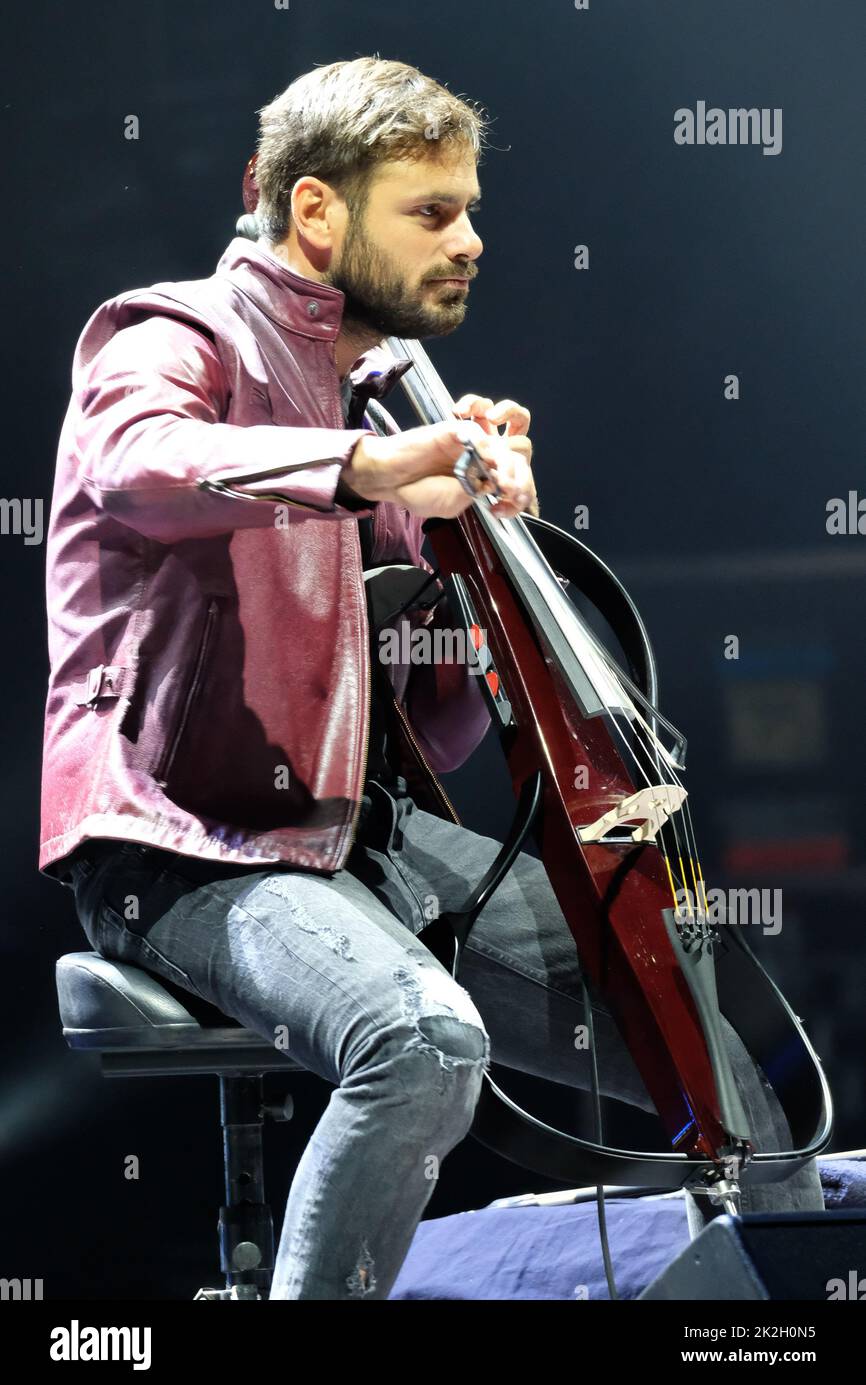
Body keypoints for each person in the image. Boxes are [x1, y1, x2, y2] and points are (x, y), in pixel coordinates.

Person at [40, 56, 824, 1300]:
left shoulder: (380, 397)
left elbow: (437, 725)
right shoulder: (170, 332)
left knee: (714, 1046)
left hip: (362, 836)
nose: (469, 239)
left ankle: (760, 1326)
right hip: (183, 847)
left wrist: (473, 560)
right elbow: (142, 467)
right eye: (430, 211)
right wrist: (374, 462)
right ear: (314, 210)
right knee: (421, 1040)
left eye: (468, 209)